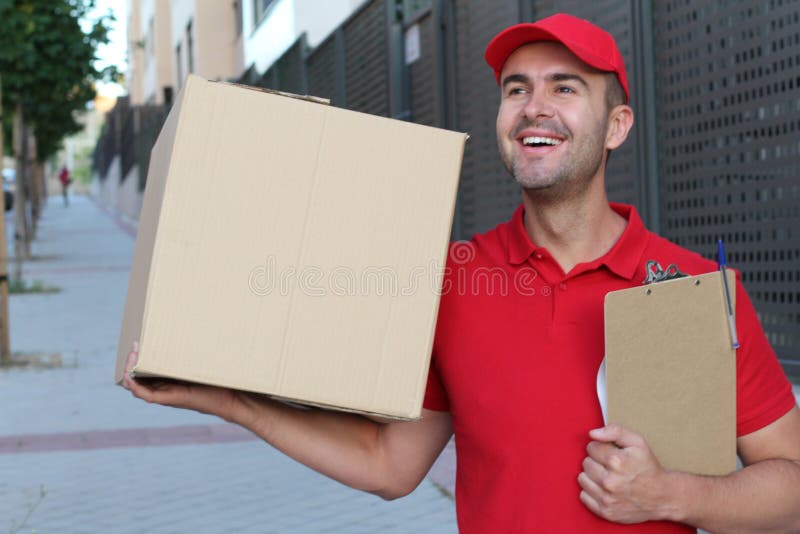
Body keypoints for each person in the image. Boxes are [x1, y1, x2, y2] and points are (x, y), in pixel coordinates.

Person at [123, 13, 800, 533]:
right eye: (517, 89)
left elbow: (791, 489)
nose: (535, 106)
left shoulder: (685, 290)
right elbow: (389, 464)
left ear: (617, 125)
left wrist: (673, 494)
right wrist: (230, 401)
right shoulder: (451, 282)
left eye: (565, 87)